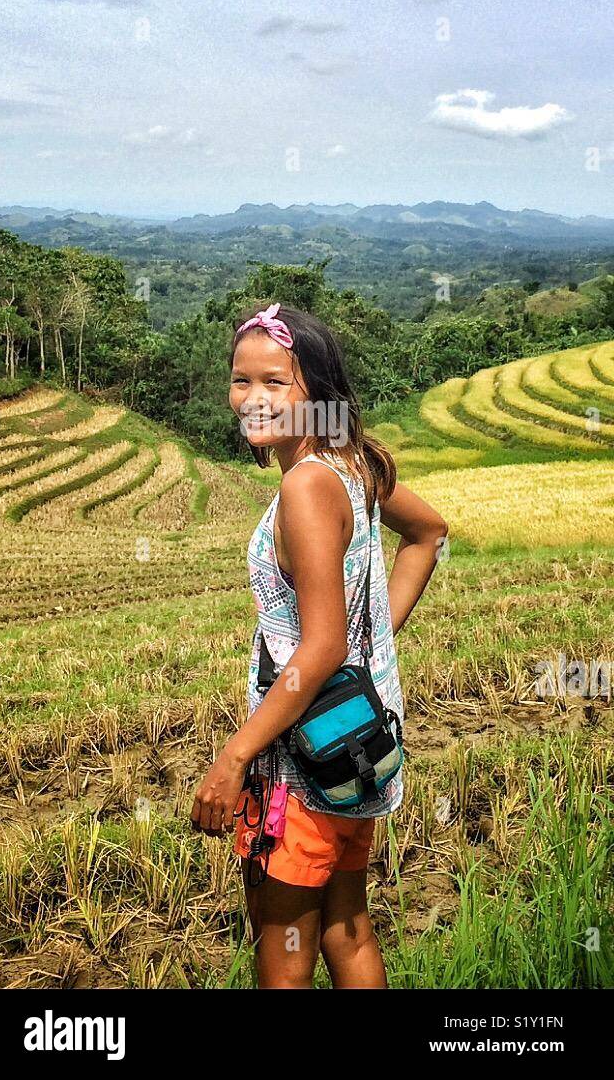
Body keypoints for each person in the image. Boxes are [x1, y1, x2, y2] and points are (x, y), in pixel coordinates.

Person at [191, 301, 448, 988]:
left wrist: (235, 752)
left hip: (305, 761)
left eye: (276, 381)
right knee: (349, 928)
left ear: (317, 390)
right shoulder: (350, 463)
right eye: (241, 380)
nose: (252, 399)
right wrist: (377, 644)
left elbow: (322, 646)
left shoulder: (307, 485)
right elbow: (429, 536)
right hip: (360, 742)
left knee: (283, 953)